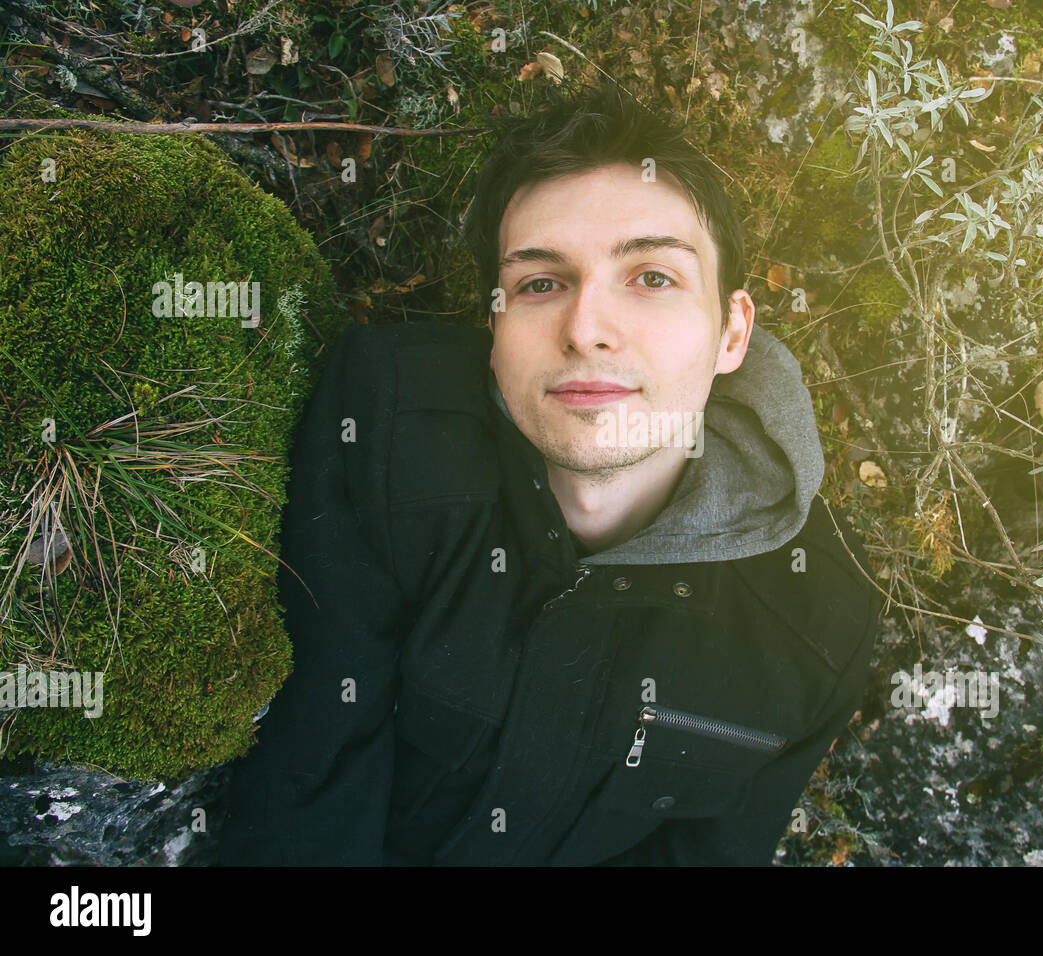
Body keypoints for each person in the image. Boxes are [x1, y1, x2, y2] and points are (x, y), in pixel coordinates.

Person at [218, 80, 881, 866]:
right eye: (541, 283)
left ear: (732, 332)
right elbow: (312, 791)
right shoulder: (389, 432)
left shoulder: (820, 624)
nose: (587, 329)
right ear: (494, 328)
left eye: (653, 277)